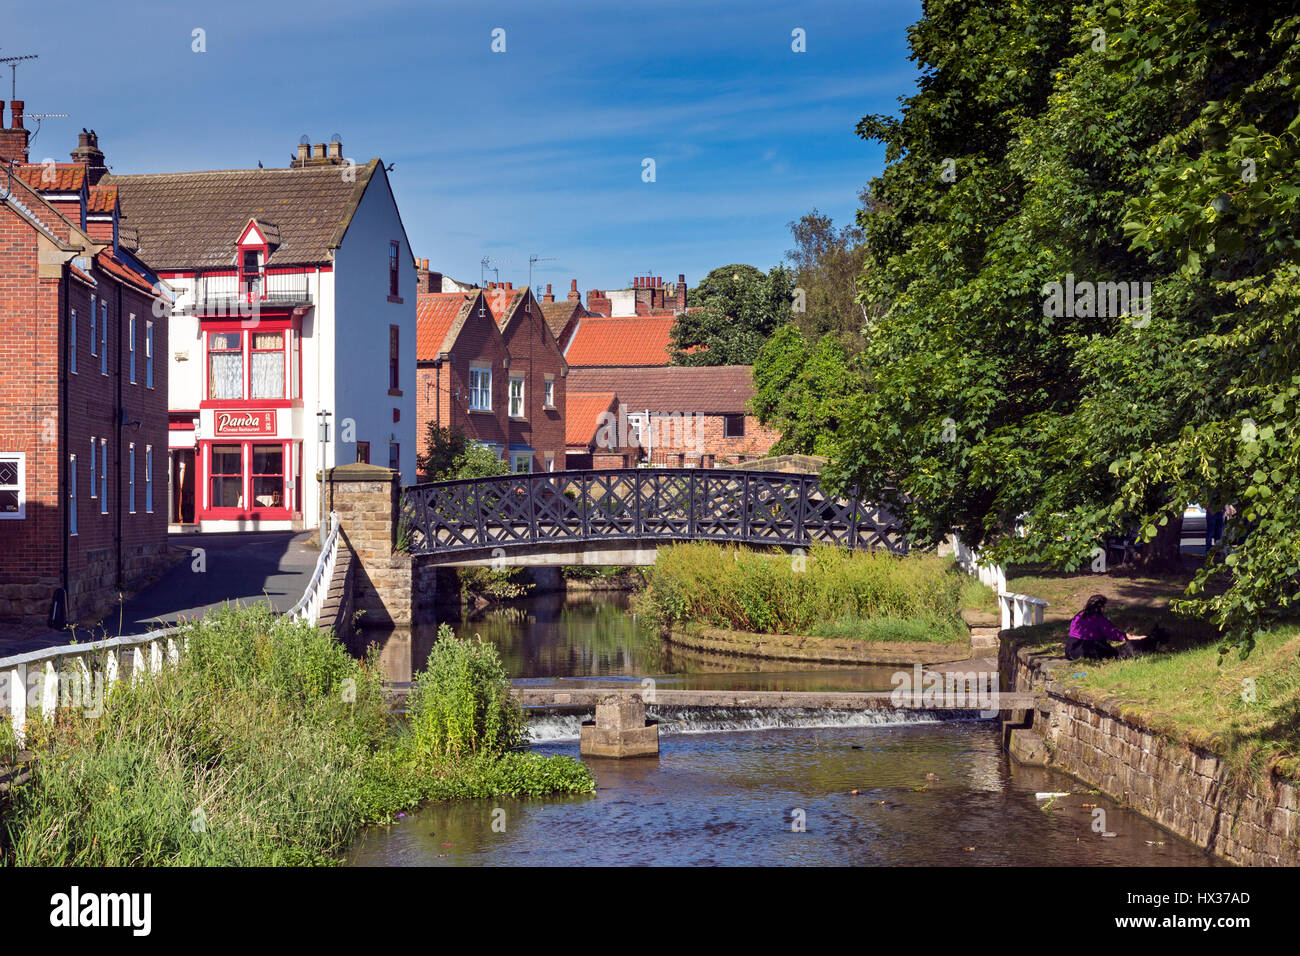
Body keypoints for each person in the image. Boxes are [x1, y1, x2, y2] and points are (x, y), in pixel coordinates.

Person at [1065, 594, 1129, 660]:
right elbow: (1114, 635)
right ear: (1100, 607)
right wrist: (1131, 637)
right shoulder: (1099, 619)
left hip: (1070, 649)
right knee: (1114, 653)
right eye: (1104, 606)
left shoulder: (1079, 615)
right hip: (1085, 651)